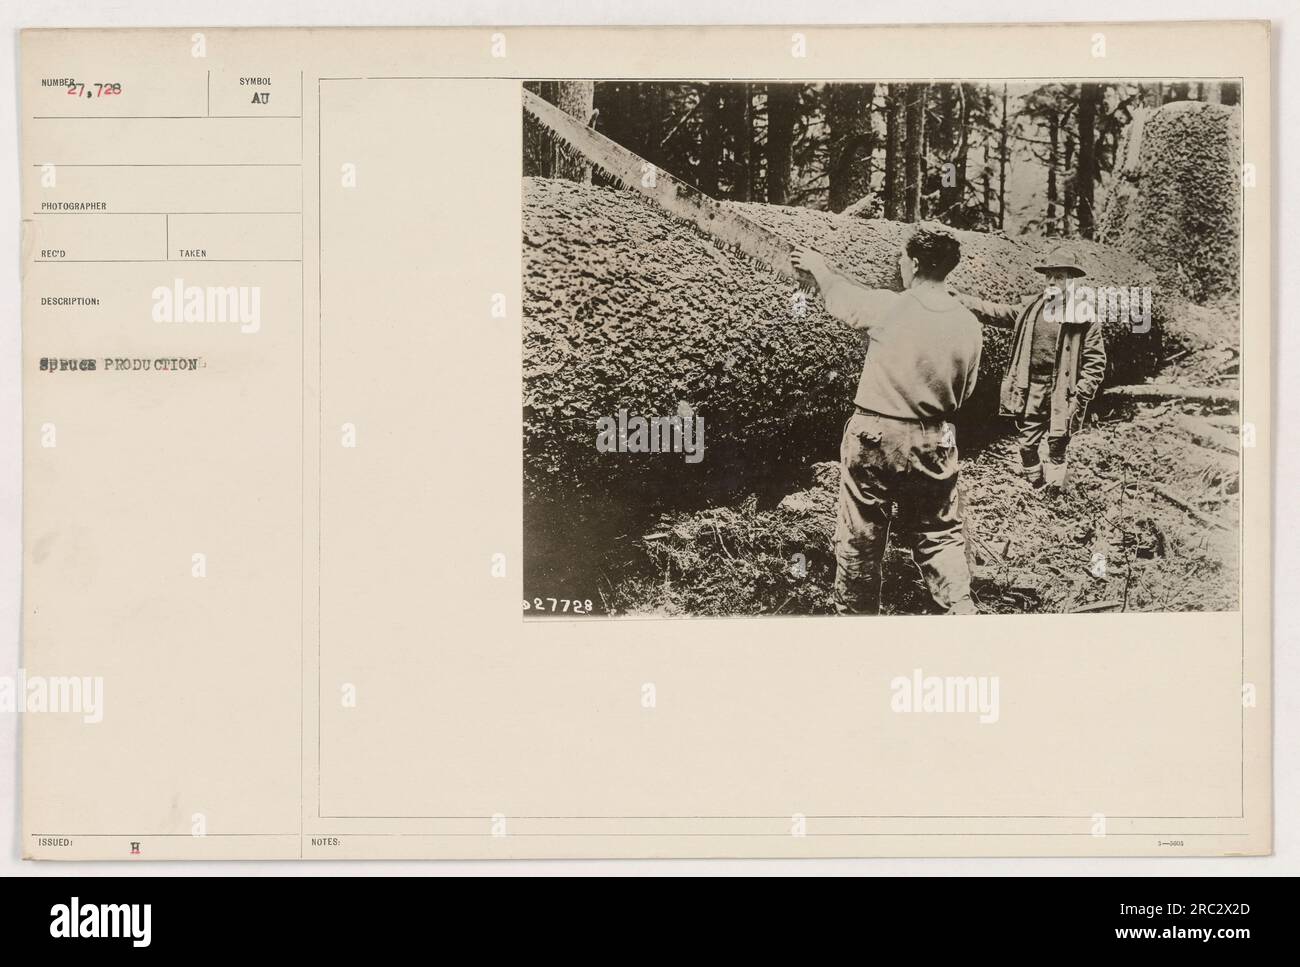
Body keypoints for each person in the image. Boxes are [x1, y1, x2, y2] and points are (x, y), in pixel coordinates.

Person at [791, 228, 983, 616]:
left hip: (877, 436)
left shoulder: (891, 306)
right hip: (936, 438)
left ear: (913, 263)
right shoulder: (969, 323)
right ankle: (961, 612)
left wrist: (819, 269)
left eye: (902, 259)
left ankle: (858, 625)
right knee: (939, 534)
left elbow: (844, 301)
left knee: (862, 535)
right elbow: (965, 393)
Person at [953, 247, 1106, 493]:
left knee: (1057, 444)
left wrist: (1082, 392)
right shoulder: (1031, 308)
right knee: (1026, 446)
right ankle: (1035, 486)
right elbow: (998, 312)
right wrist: (963, 300)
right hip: (1033, 386)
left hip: (1063, 393)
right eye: (1049, 276)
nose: (1053, 282)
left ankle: (1054, 494)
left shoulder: (1084, 316)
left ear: (1072, 280)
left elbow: (1096, 361)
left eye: (1060, 276)